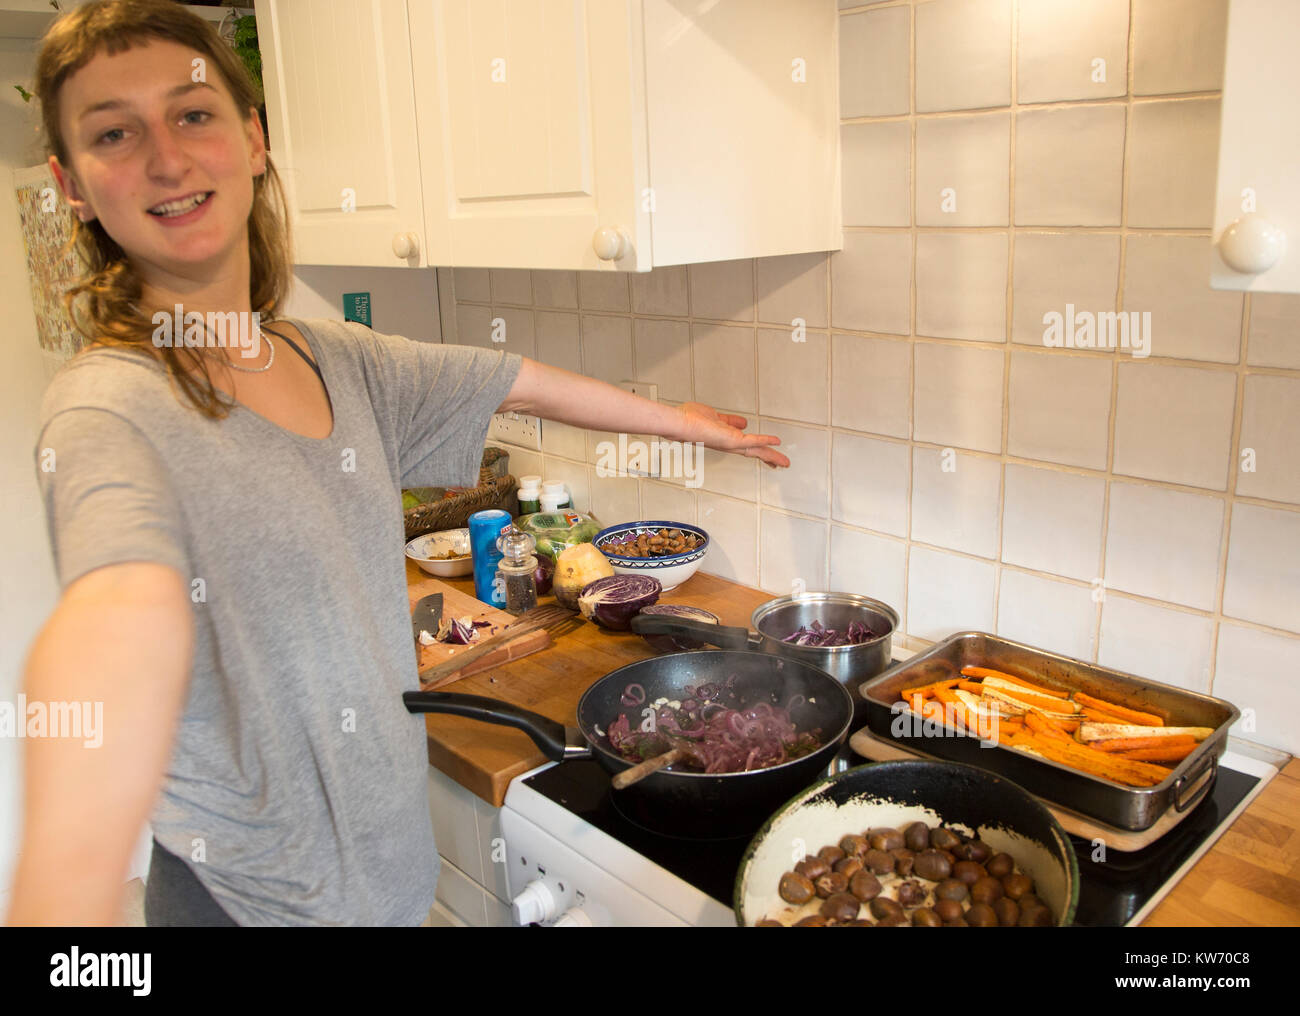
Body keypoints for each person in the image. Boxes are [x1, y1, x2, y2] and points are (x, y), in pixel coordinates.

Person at [4, 0, 788, 927]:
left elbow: (518, 381)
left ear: (253, 139)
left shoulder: (335, 360)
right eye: (115, 132)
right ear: (74, 186)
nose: (166, 157)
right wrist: (67, 885)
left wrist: (683, 423)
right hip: (249, 904)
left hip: (385, 872)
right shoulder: (113, 405)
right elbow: (115, 620)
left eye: (193, 112)